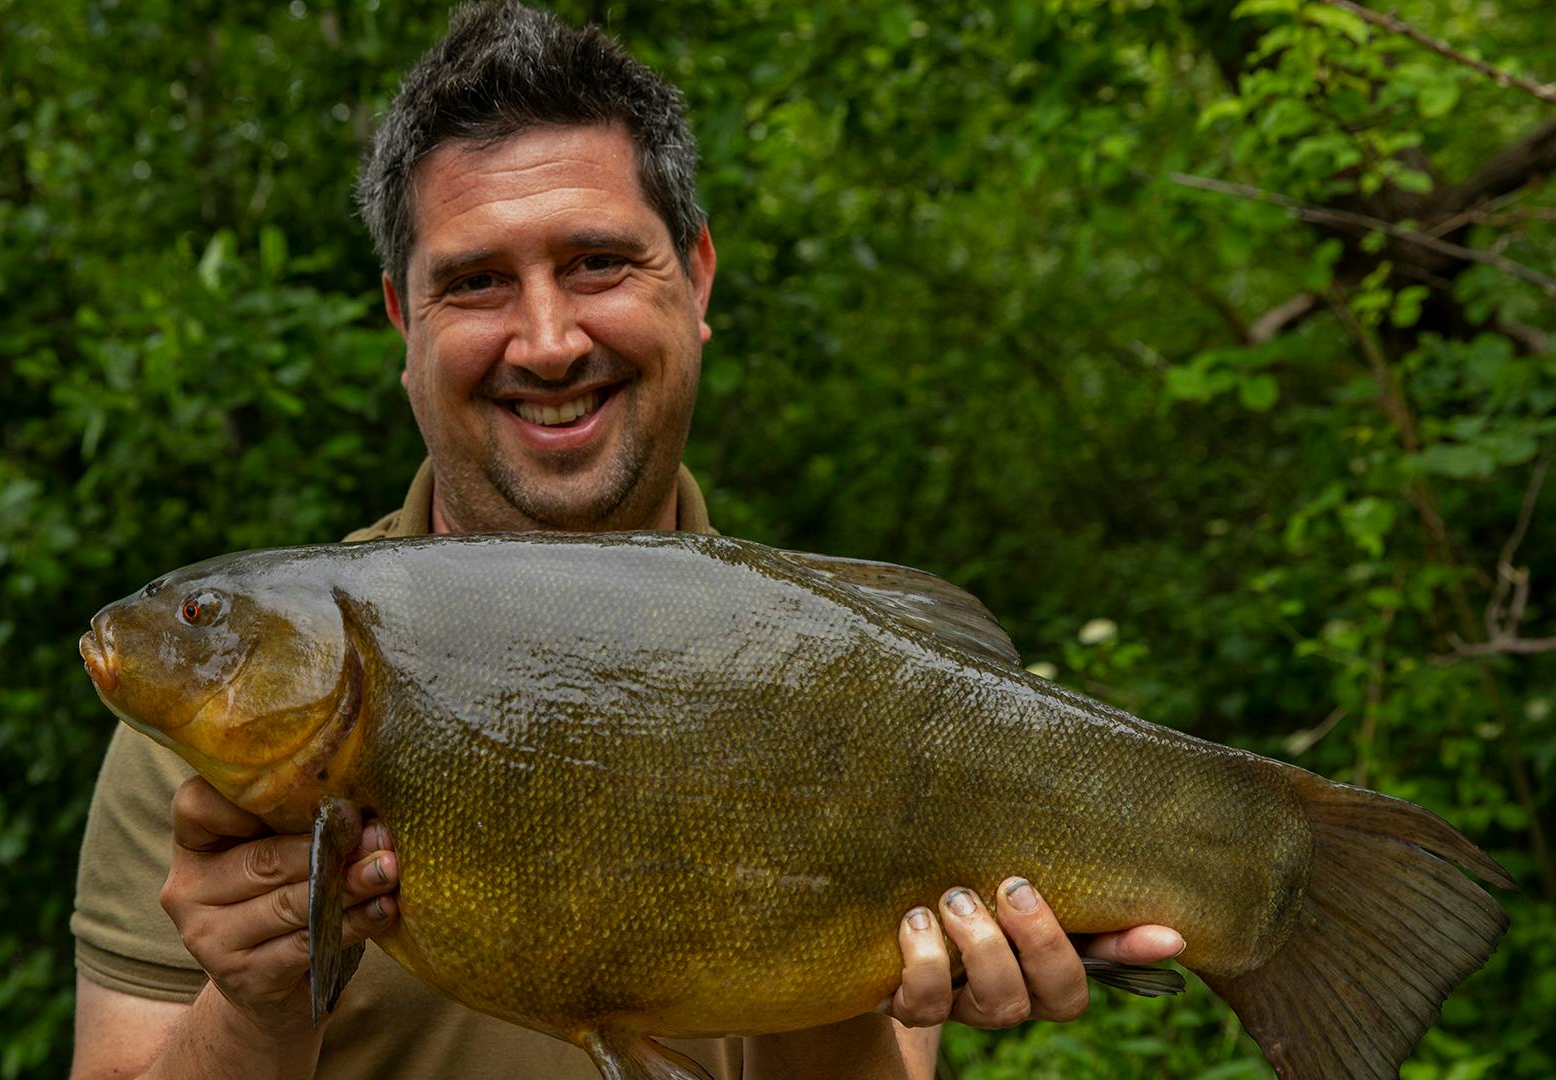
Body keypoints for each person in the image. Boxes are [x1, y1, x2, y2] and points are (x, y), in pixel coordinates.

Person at [67, 4, 1185, 1078]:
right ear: (404, 325)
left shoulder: (847, 671)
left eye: (598, 262)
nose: (548, 342)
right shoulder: (214, 743)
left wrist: (853, 986)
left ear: (696, 277)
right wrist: (259, 1004)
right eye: (476, 282)